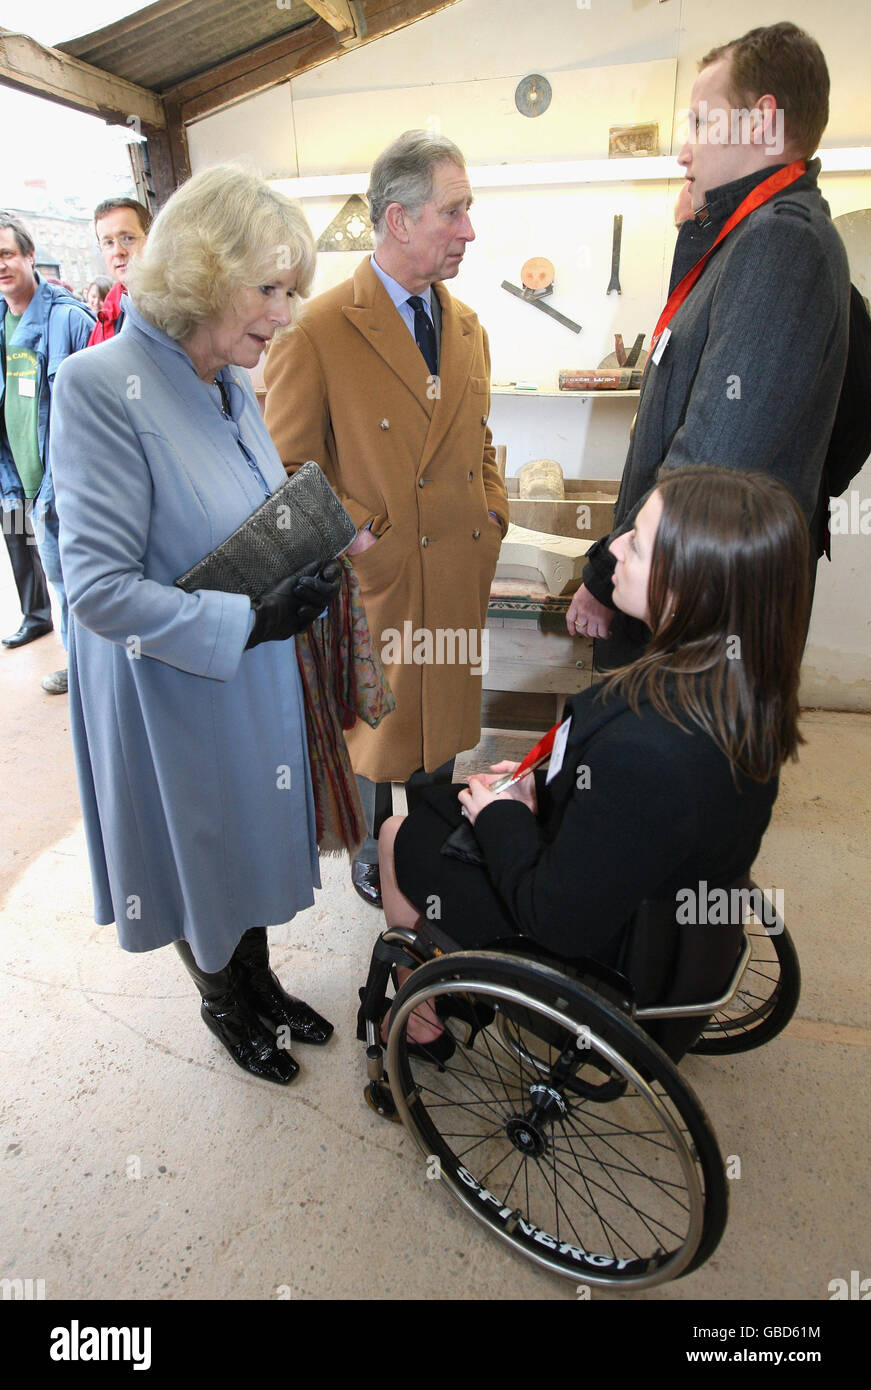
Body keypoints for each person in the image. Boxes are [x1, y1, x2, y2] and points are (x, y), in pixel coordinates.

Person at [50, 166, 342, 1086]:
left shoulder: (224, 377)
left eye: (291, 290)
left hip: (243, 664)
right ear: (200, 277)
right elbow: (96, 586)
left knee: (246, 831)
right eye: (268, 289)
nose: (286, 314)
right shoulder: (98, 383)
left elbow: (243, 511)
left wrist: (306, 552)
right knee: (195, 846)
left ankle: (254, 976)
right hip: (163, 680)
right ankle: (223, 1000)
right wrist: (252, 617)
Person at [377, 467, 808, 1050]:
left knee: (400, 832)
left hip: (608, 961)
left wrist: (505, 817)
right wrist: (537, 784)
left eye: (638, 541)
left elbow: (555, 917)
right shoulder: (742, 688)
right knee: (448, 803)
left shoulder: (649, 753)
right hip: (679, 924)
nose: (617, 548)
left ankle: (424, 1017)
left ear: (688, 586)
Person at [264, 130, 509, 910]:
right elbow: (286, 468)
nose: (468, 229)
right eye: (454, 211)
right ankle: (376, 849)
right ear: (398, 220)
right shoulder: (320, 327)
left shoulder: (466, 325)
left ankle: (432, 838)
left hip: (457, 570)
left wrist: (491, 514)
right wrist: (359, 534)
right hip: (382, 578)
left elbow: (480, 439)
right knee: (378, 731)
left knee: (440, 727)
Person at [568, 21, 850, 668]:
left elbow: (711, 456)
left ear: (759, 123)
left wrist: (609, 575)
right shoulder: (747, 237)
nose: (683, 149)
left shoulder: (780, 244)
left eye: (699, 121)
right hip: (686, 594)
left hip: (696, 611)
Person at [0, 213, 94, 687]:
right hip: (24, 484)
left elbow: (98, 415)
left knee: (84, 585)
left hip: (68, 486)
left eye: (6, 254)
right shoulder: (0, 326)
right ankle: (80, 666)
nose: (1, 266)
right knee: (59, 585)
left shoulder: (71, 321)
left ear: (30, 256)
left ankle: (94, 674)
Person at [88, 197, 152, 345]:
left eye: (128, 238)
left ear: (151, 239)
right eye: (108, 242)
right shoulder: (107, 315)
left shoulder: (180, 303)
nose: (118, 251)